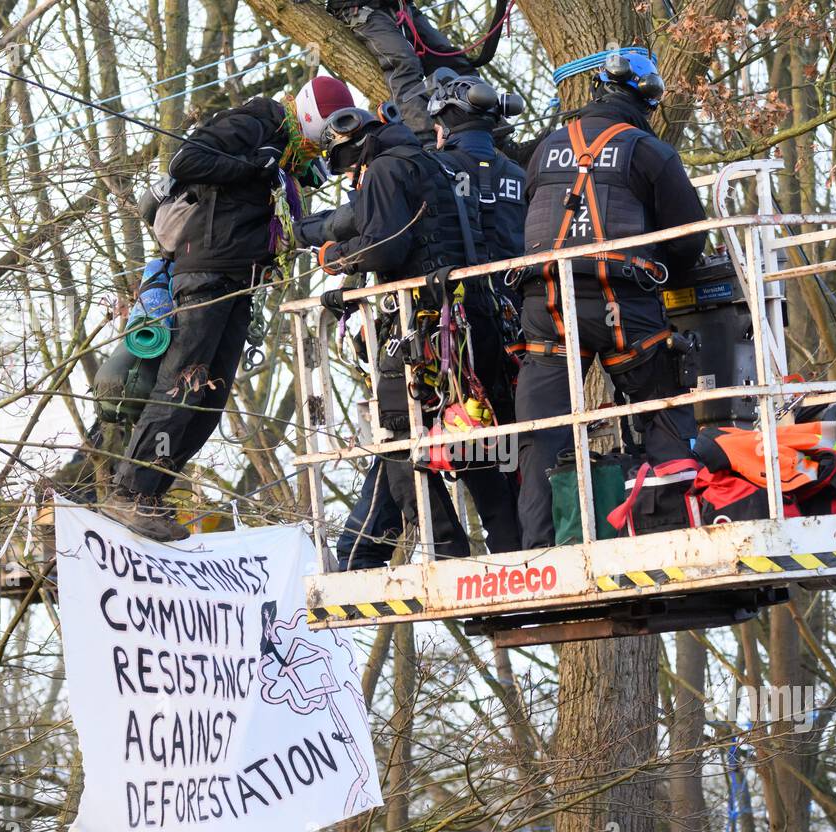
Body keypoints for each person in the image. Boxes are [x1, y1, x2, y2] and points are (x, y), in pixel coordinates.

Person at [101, 83, 354, 540]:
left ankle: (153, 494)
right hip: (205, 270)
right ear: (313, 119)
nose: (323, 148)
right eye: (325, 136)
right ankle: (129, 492)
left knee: (209, 399)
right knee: (183, 384)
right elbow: (185, 162)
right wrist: (252, 165)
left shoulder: (285, 156)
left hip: (239, 280)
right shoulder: (257, 122)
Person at [308, 103, 523, 568]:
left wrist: (336, 257)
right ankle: (513, 547)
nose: (350, 177)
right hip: (470, 318)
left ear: (355, 144)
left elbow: (388, 244)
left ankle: (447, 556)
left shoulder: (386, 169)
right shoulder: (435, 163)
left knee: (401, 437)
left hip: (422, 328)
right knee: (473, 434)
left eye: (347, 165)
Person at [513, 49, 708, 549]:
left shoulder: (544, 148)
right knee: (663, 405)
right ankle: (672, 529)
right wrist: (667, 277)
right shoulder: (649, 151)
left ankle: (538, 549)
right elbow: (689, 238)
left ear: (597, 91)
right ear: (646, 103)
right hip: (621, 304)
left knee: (542, 429)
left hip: (547, 304)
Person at [324, 0, 475, 142]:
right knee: (403, 62)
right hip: (359, 8)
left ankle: (483, 116)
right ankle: (424, 136)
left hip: (401, 6)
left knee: (454, 61)